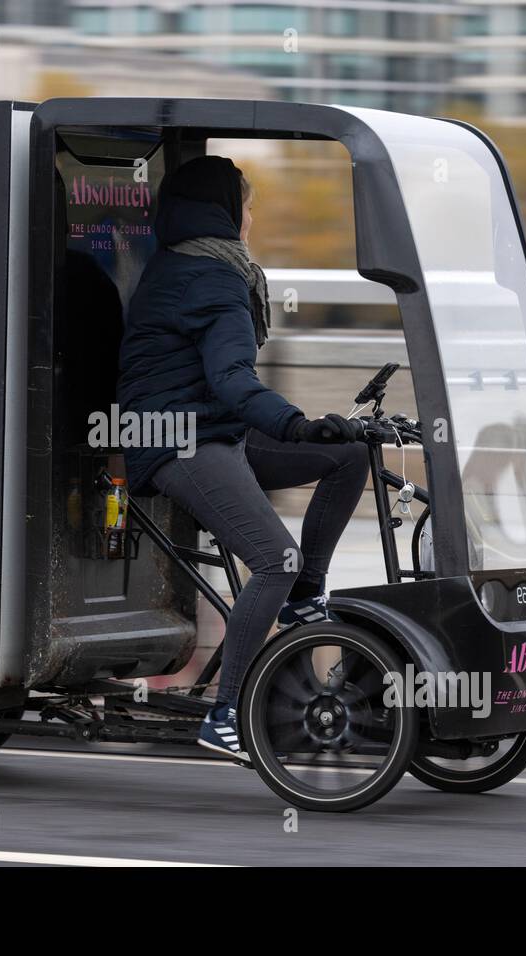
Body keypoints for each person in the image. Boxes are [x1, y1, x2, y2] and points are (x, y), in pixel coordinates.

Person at [117, 156, 368, 760]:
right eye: (247, 206)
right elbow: (231, 377)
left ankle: (307, 594)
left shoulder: (193, 264)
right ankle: (225, 713)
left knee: (350, 454)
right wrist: (296, 423)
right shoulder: (211, 276)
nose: (251, 218)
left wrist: (309, 433)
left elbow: (222, 384)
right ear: (226, 212)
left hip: (212, 429)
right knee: (274, 558)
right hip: (180, 439)